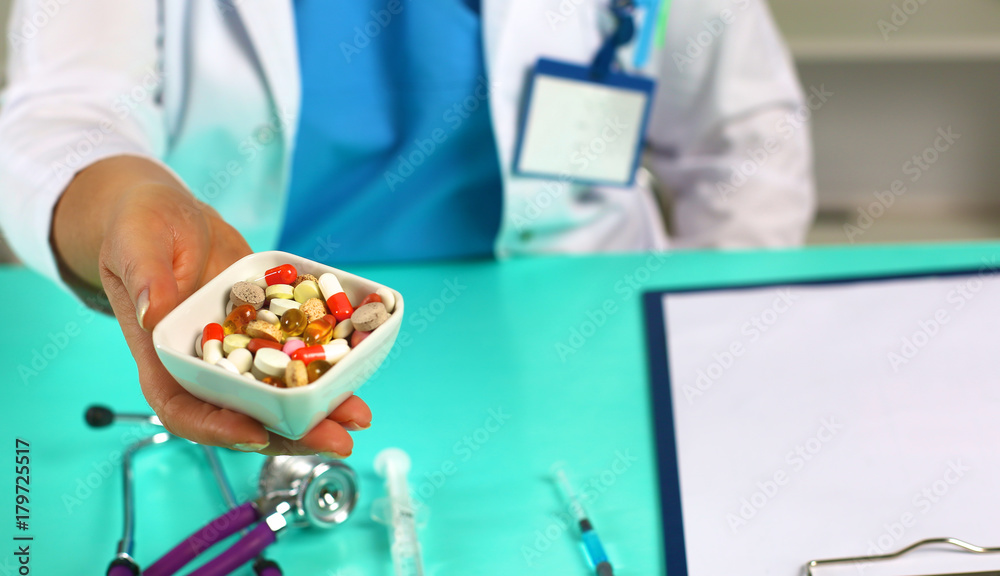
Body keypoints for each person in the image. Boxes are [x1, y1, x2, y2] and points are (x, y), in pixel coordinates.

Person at [0, 0, 815, 456]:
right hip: (250, 356)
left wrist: (714, 345)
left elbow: (744, 139)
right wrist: (118, 195)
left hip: (584, 351)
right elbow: (58, 113)